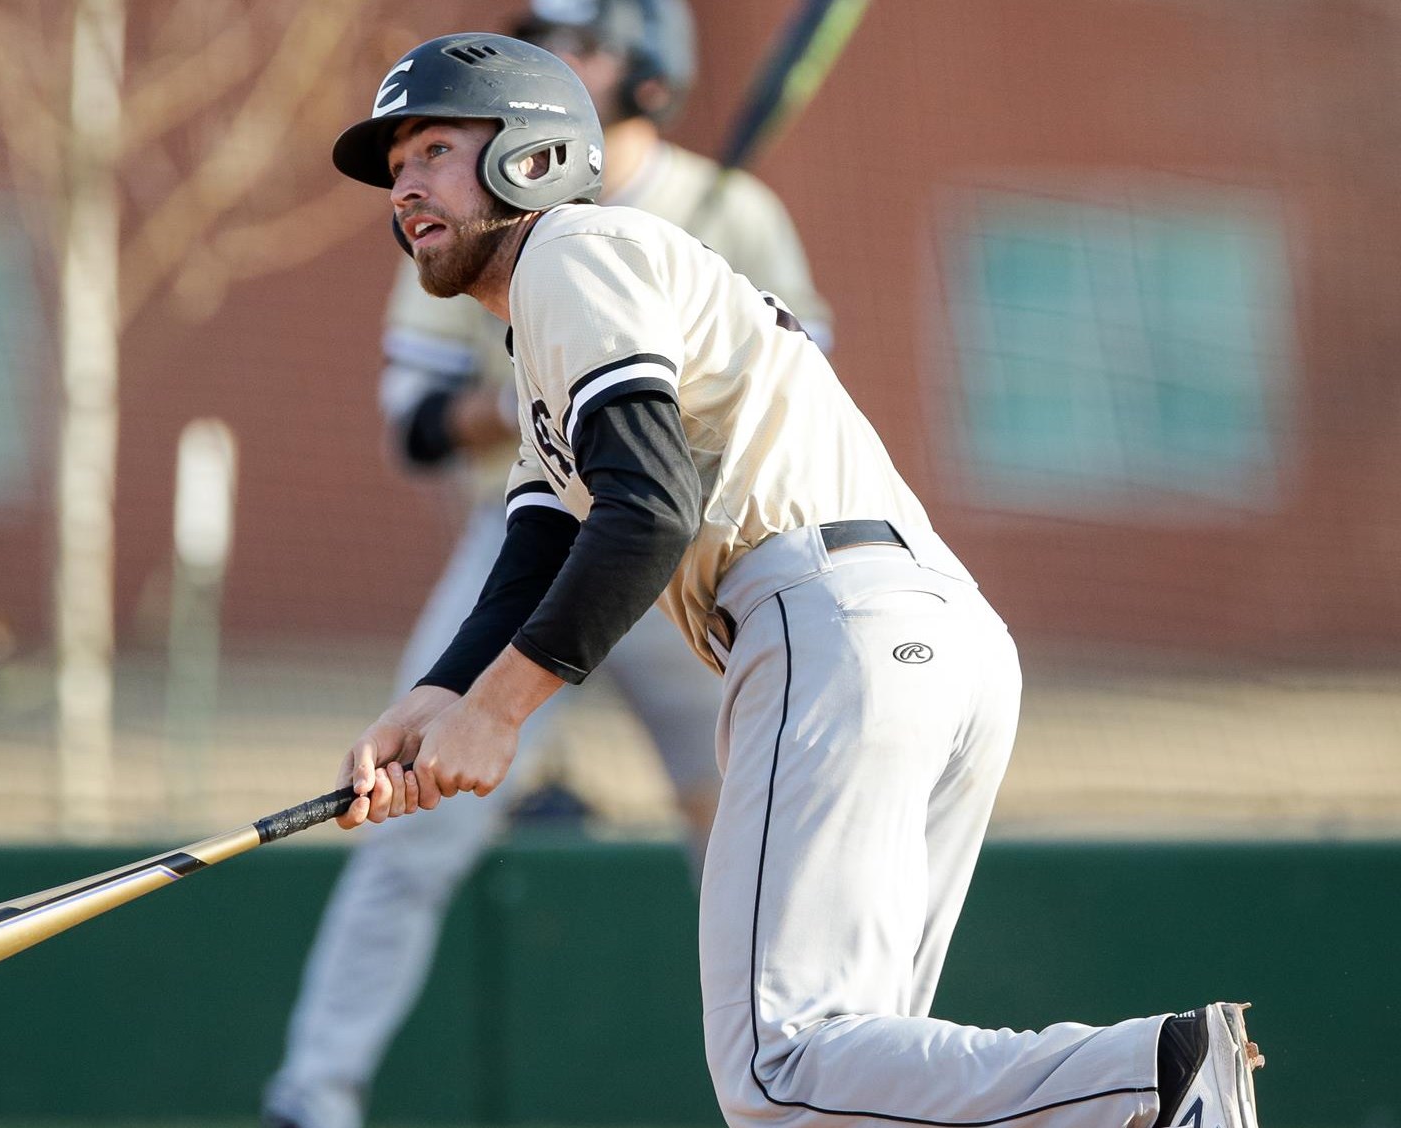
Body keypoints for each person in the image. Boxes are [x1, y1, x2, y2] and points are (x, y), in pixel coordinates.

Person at [321, 30, 1264, 1128]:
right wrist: (436, 696)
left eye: (435, 149)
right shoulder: (555, 322)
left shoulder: (569, 254)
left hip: (826, 626)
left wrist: (497, 714)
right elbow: (532, 553)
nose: (406, 187)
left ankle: (1152, 1079)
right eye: (397, 168)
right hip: (929, 637)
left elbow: (647, 513)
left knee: (781, 1066)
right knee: (861, 1089)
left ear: (530, 158)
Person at [262, 6, 833, 1128]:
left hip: (703, 547)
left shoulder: (722, 213)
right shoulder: (463, 223)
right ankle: (313, 1094)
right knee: (410, 818)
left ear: (646, 74)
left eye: (585, 39)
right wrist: (541, 386)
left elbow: (788, 385)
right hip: (526, 536)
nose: (555, 51)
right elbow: (418, 425)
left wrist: (648, 347)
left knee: (743, 830)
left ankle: (805, 1079)